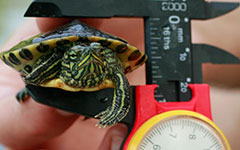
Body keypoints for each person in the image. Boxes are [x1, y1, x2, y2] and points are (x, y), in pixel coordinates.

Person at [0, 7, 239, 150]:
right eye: (77, 56)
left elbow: (118, 74)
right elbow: (34, 72)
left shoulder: (109, 63)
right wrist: (33, 86)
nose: (90, 54)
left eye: (98, 53)